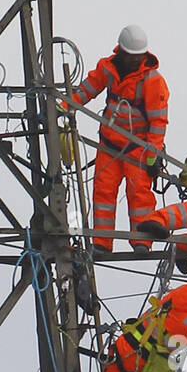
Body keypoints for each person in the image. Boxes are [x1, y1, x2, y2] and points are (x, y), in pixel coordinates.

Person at [63, 25, 169, 252]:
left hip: (137, 148)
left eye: (137, 56)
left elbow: (158, 122)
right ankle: (102, 241)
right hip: (109, 144)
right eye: (131, 55)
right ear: (121, 51)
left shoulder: (152, 81)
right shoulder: (107, 68)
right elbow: (85, 91)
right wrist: (63, 107)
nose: (133, 60)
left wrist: (152, 156)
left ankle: (142, 240)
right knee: (103, 192)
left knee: (139, 194)